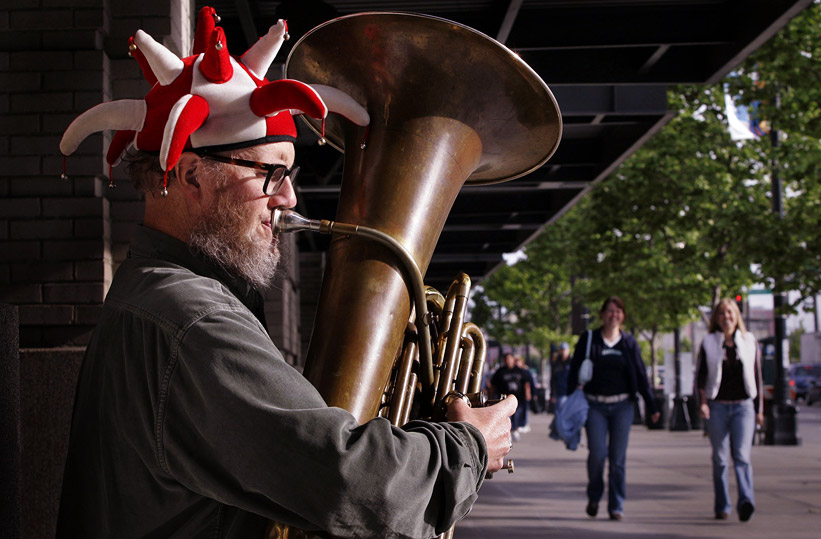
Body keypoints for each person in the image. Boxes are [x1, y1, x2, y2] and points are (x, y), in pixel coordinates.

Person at [54, 8, 516, 538]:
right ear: (190, 174)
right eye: (271, 173)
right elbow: (353, 483)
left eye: (290, 174)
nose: (290, 197)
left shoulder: (156, 295)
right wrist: (468, 447)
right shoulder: (192, 320)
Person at [567, 296, 660, 520]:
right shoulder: (589, 339)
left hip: (622, 406)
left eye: (618, 311)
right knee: (598, 455)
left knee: (618, 459)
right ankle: (594, 495)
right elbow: (573, 373)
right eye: (609, 311)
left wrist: (652, 404)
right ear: (602, 315)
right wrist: (567, 403)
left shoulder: (629, 343)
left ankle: (616, 505)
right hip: (595, 405)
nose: (613, 315)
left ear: (623, 316)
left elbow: (640, 374)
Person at [695, 298, 763, 522]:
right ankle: (722, 505)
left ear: (737, 316)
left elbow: (757, 377)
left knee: (742, 456)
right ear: (716, 318)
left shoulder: (749, 340)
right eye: (722, 313)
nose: (727, 317)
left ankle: (746, 501)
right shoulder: (709, 342)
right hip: (718, 407)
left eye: (730, 313)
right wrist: (702, 402)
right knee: (721, 459)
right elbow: (701, 377)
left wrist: (759, 409)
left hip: (744, 406)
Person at [489, 353, 532, 441]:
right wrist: (491, 397)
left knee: (517, 414)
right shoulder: (500, 372)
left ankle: (515, 429)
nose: (508, 361)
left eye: (509, 359)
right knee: (506, 416)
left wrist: (528, 393)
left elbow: (526, 383)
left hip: (518, 397)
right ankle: (507, 432)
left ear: (513, 359)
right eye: (506, 359)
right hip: (504, 398)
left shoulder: (520, 371)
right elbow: (493, 385)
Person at [550, 342, 572, 410]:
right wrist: (552, 394)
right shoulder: (556, 363)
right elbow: (553, 379)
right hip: (558, 392)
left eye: (565, 350)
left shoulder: (572, 362)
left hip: (569, 392)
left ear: (568, 350)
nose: (563, 352)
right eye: (562, 350)